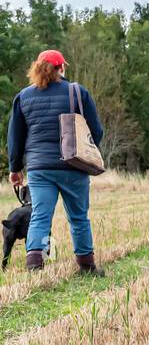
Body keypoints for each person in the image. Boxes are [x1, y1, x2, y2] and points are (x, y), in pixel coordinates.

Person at [6, 50, 105, 275]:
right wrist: (89, 149)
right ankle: (87, 266)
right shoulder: (77, 92)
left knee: (40, 216)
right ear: (61, 68)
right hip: (74, 166)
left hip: (39, 168)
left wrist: (15, 168)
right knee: (79, 217)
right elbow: (96, 130)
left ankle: (34, 266)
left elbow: (15, 137)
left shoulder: (23, 96)